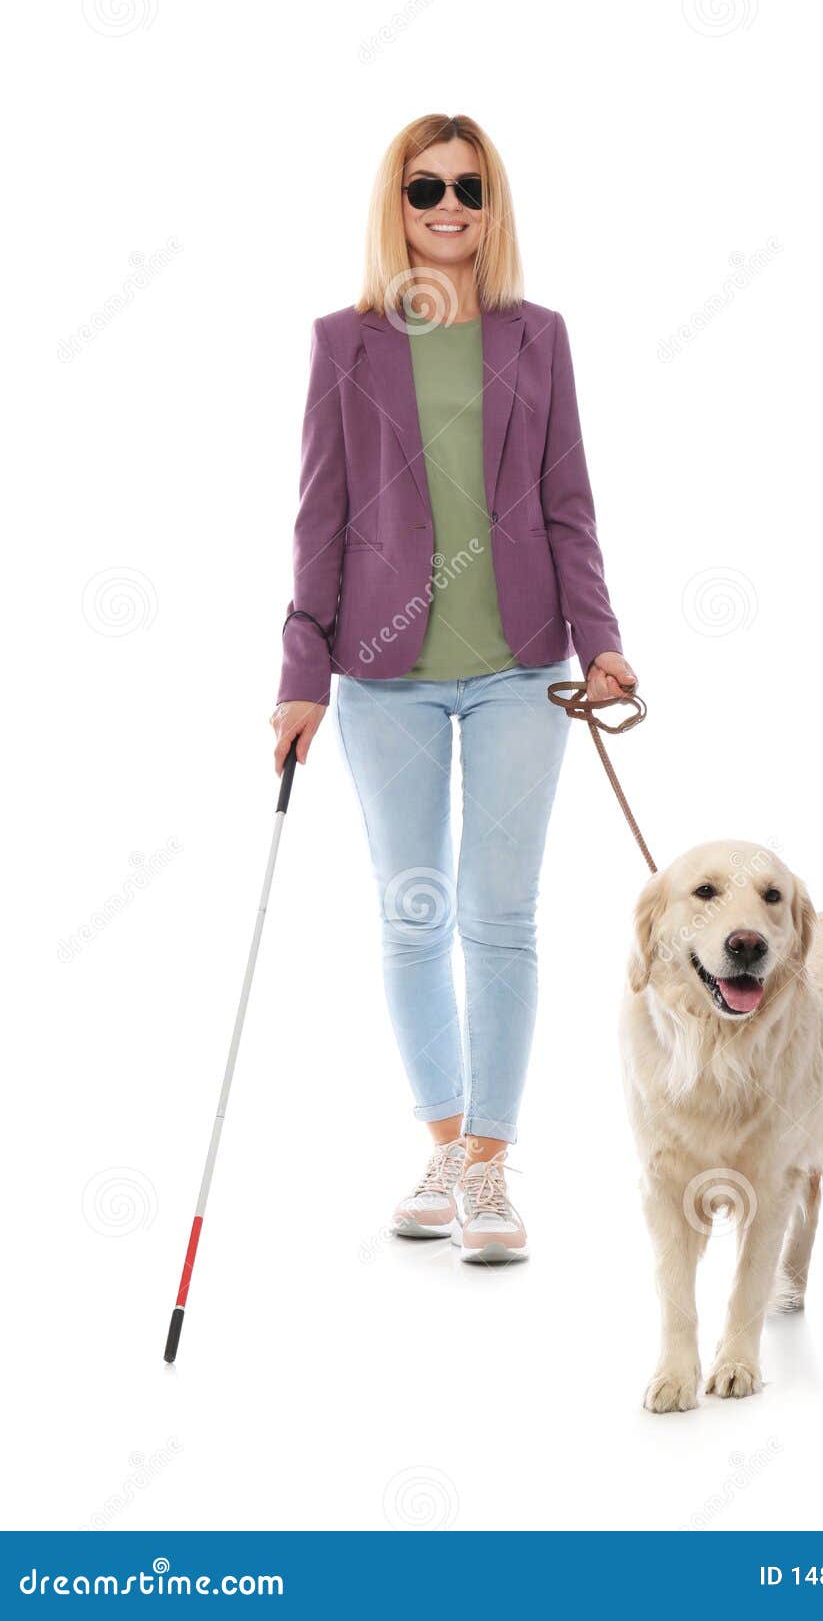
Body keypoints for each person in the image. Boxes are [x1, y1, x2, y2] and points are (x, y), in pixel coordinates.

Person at [270, 113, 634, 1263]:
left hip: (527, 663)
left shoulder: (539, 337)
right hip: (382, 677)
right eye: (425, 186)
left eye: (469, 187)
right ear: (397, 199)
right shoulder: (345, 342)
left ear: (492, 204)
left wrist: (604, 638)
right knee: (413, 910)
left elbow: (569, 500)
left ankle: (487, 1166)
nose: (447, 206)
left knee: (501, 916)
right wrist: (299, 674)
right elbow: (318, 517)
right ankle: (442, 1140)